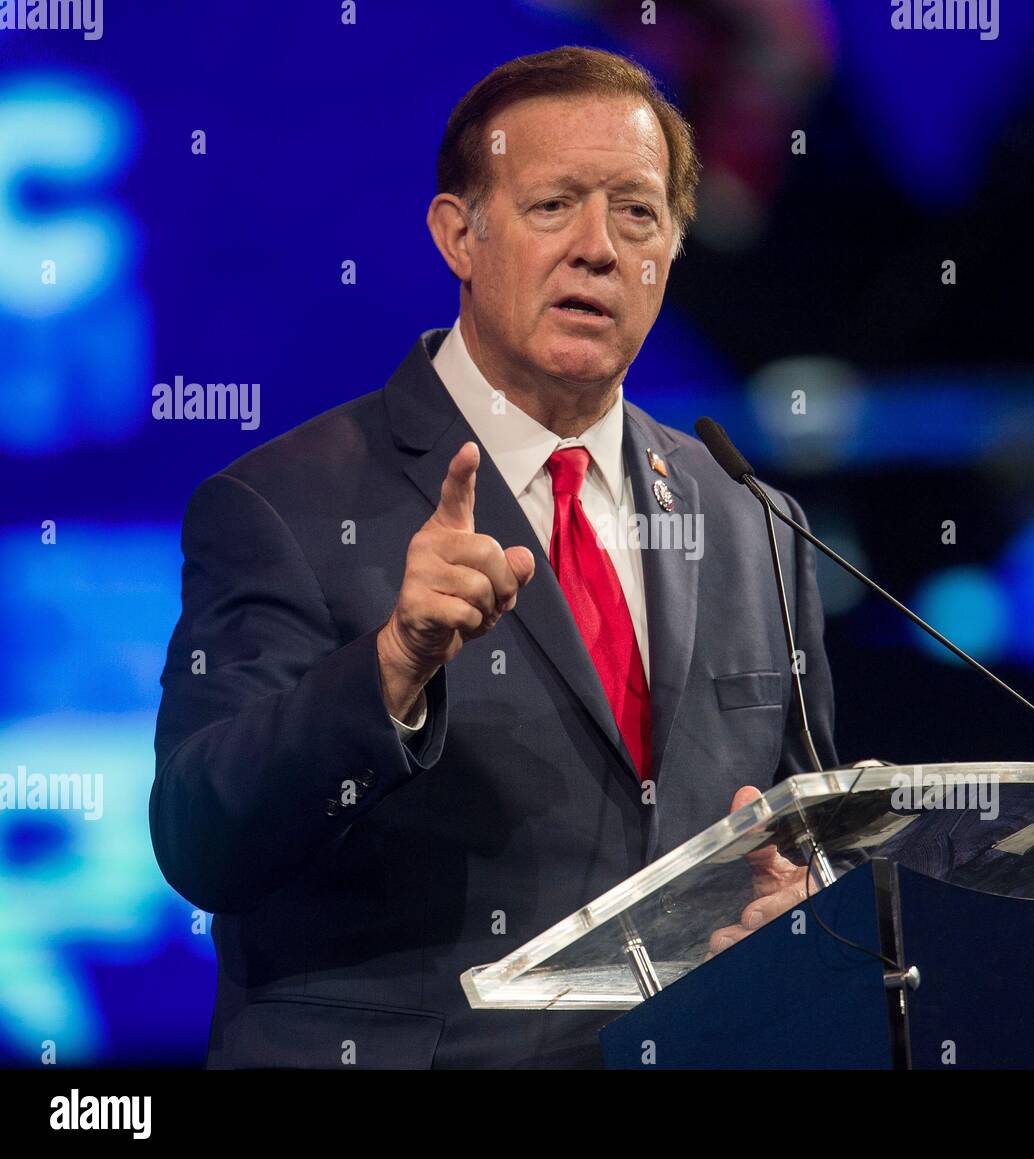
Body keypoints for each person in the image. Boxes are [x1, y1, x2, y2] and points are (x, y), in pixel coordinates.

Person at [150, 45, 836, 1069]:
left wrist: (797, 908)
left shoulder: (751, 520)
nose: (598, 249)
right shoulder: (283, 504)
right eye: (554, 205)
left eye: (638, 213)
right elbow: (202, 836)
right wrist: (389, 668)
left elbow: (801, 835)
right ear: (458, 236)